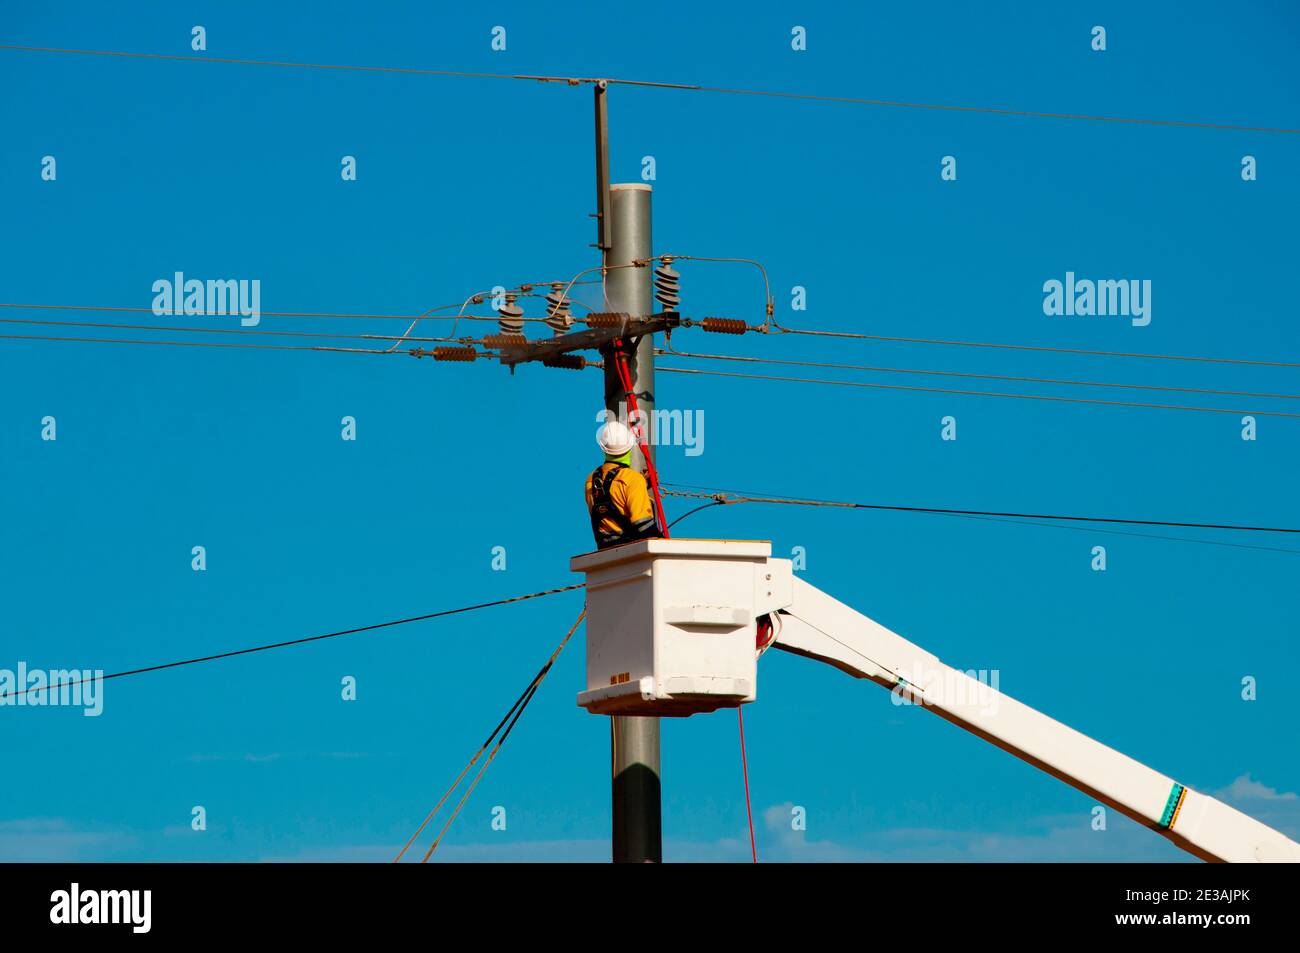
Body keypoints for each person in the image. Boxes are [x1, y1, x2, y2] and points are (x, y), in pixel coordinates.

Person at [586, 420, 663, 549]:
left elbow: (613, 495)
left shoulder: (591, 480)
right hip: (631, 552)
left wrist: (642, 485)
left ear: (603, 447)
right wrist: (664, 542)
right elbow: (644, 526)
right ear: (630, 446)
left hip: (605, 551)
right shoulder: (633, 480)